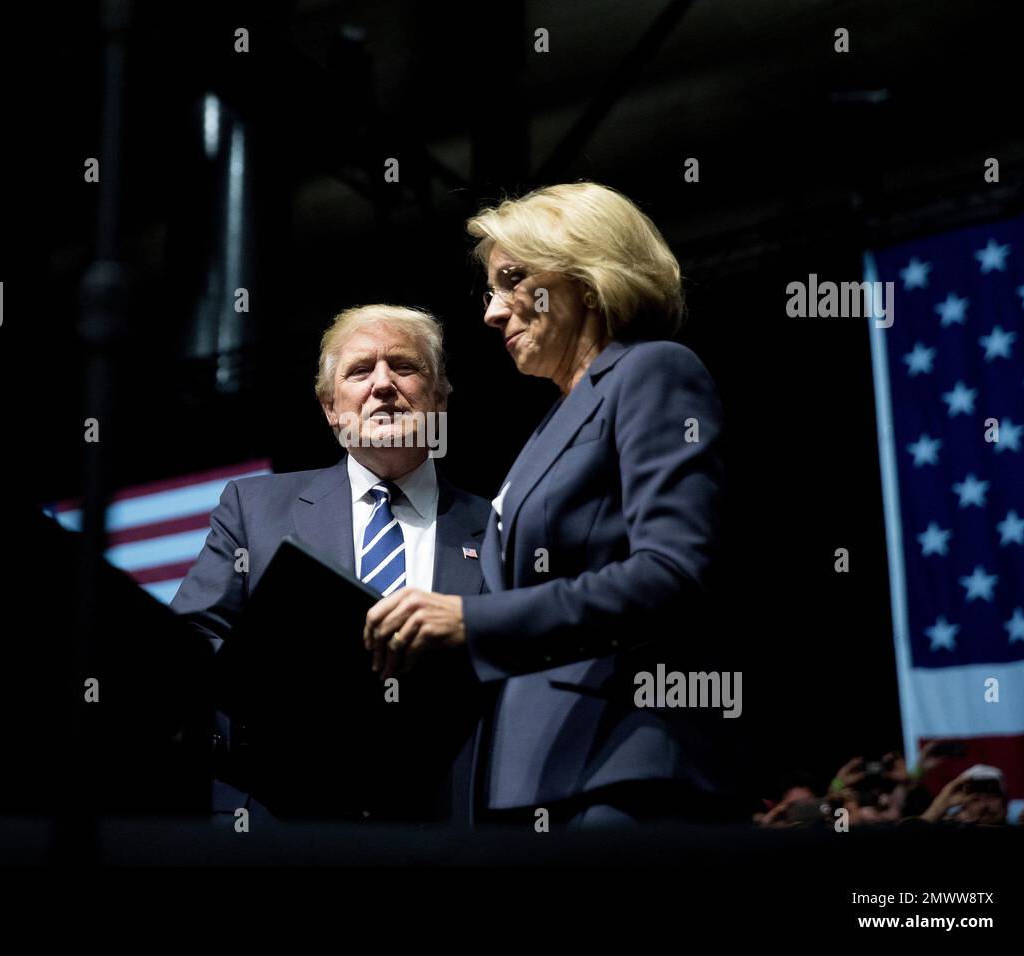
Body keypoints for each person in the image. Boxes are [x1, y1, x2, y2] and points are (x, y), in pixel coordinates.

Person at [365, 182, 734, 827]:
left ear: (586, 277)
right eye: (489, 290)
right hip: (527, 776)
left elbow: (672, 575)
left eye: (512, 280)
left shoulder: (654, 371)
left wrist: (472, 622)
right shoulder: (549, 426)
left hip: (621, 764)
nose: (491, 312)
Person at [172, 304, 491, 824]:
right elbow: (193, 640)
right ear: (330, 407)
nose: (383, 385)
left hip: (438, 825)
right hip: (280, 815)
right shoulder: (253, 508)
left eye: (405, 367)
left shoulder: (498, 528)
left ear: (440, 397)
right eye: (360, 371)